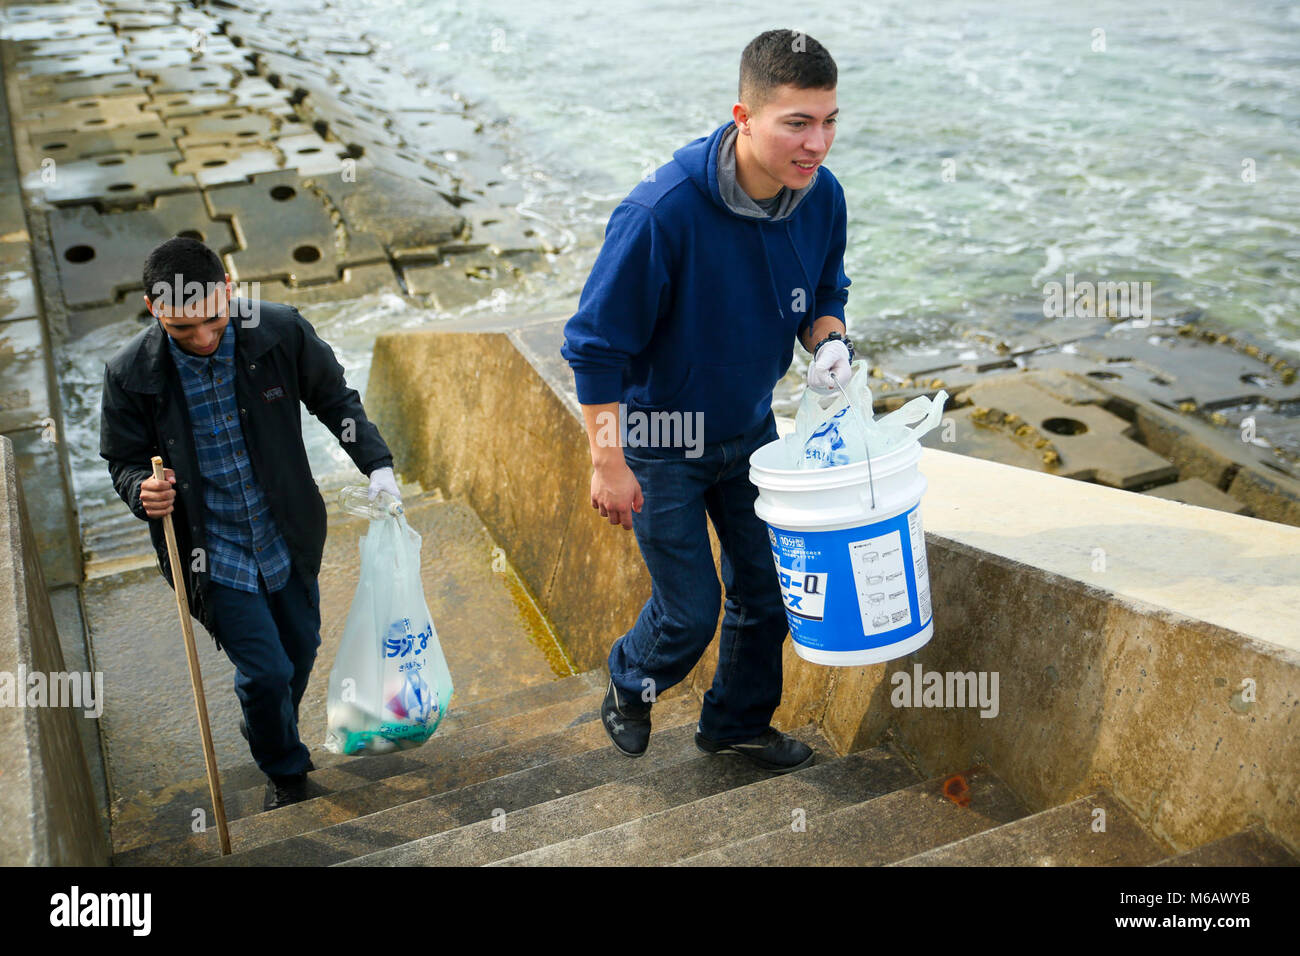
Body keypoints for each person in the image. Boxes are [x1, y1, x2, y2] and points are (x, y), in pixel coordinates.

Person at [561, 29, 855, 773]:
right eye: (796, 122)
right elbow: (595, 346)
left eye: (828, 121)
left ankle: (735, 726)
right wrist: (607, 464)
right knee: (690, 613)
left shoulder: (821, 196)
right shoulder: (661, 213)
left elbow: (826, 291)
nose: (816, 143)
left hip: (752, 430)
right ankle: (631, 680)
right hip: (661, 442)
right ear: (742, 117)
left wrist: (829, 342)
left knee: (769, 592)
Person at [99, 237, 401, 810]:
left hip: (285, 532)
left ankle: (264, 727)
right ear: (152, 308)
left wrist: (378, 466)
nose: (203, 338)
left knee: (300, 650)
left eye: (212, 320)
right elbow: (124, 462)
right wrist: (142, 491)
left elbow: (336, 401)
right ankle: (285, 768)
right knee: (264, 672)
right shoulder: (129, 374)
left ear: (229, 291)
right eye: (182, 328)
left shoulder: (280, 330)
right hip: (208, 551)